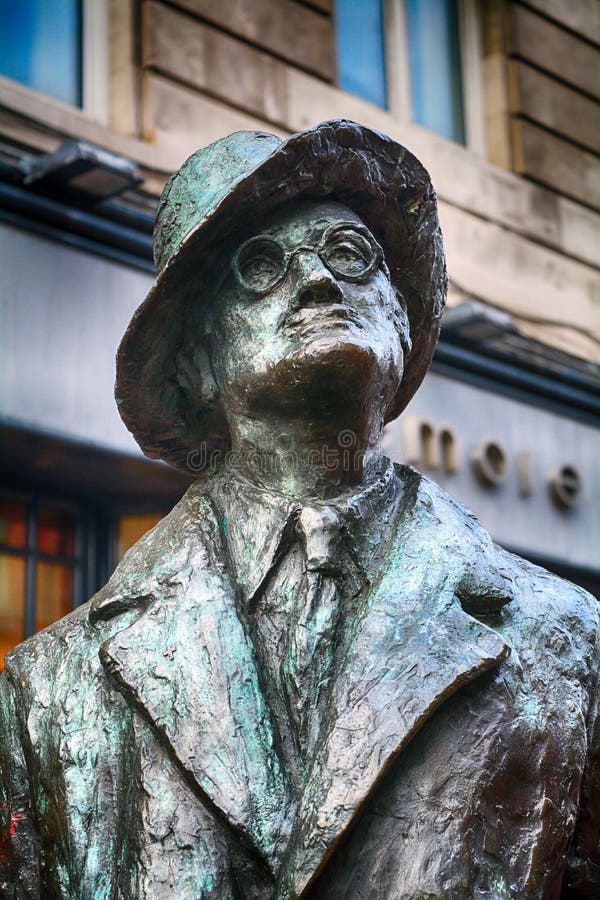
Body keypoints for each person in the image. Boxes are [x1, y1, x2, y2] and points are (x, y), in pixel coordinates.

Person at [1, 120, 598, 899]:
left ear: (402, 318)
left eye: (350, 253)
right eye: (259, 267)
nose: (320, 281)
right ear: (194, 359)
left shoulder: (566, 642)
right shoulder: (52, 686)